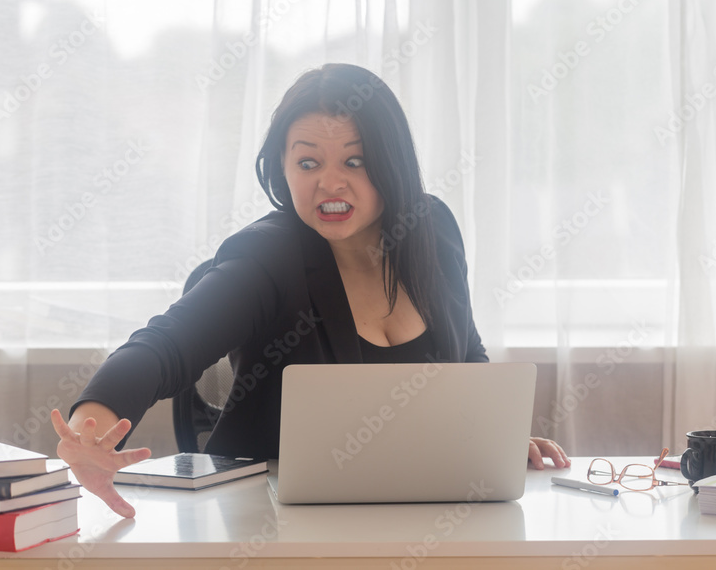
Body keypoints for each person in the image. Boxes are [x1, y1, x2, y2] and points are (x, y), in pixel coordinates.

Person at [51, 63, 569, 518]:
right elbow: (161, 349)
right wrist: (86, 434)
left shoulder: (430, 228)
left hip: (415, 510)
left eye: (355, 160)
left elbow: (465, 355)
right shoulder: (266, 257)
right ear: (282, 167)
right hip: (269, 519)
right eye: (307, 163)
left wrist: (492, 443)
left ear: (391, 165)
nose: (329, 183)